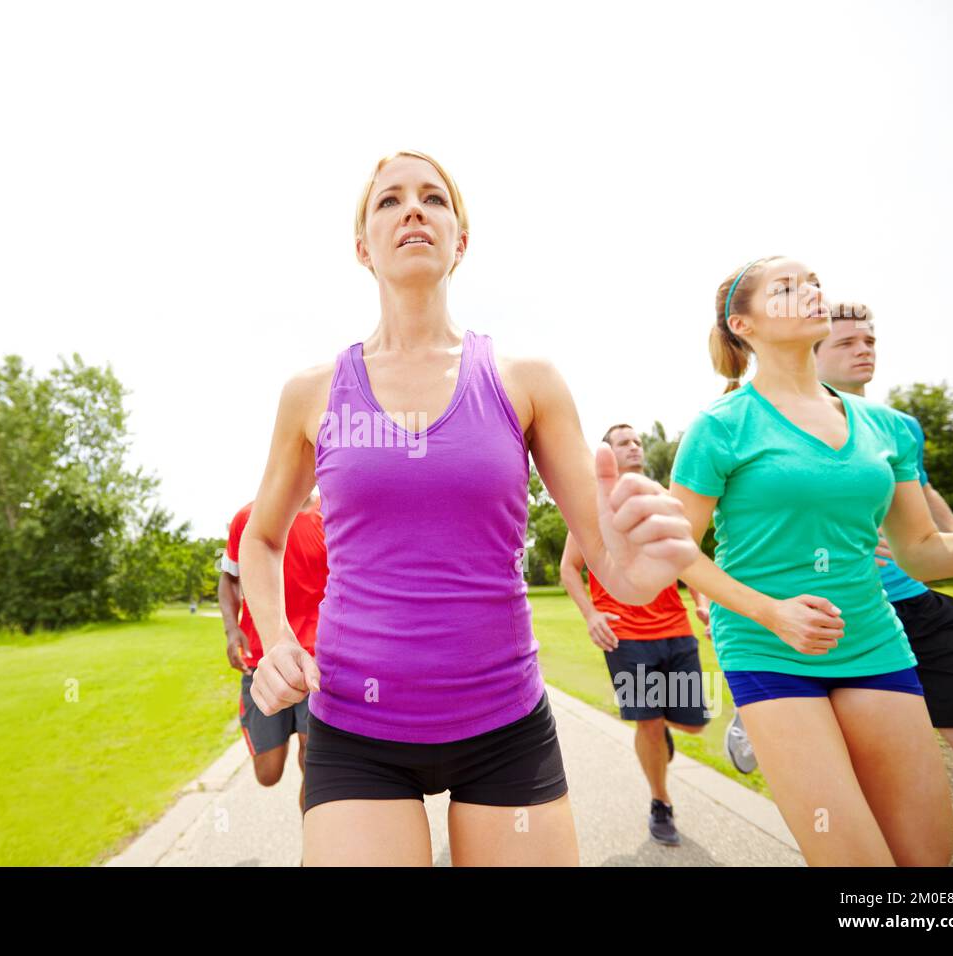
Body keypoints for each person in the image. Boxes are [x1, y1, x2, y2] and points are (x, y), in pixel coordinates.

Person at [238, 150, 700, 866]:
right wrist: (276, 641)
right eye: (389, 201)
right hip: (357, 732)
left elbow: (613, 560)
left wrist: (639, 571)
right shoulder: (313, 392)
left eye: (434, 198)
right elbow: (261, 540)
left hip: (504, 727)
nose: (414, 210)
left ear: (462, 238)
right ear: (363, 247)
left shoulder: (528, 381)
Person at [668, 255, 953, 866]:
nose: (811, 292)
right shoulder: (719, 427)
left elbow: (920, 551)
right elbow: (677, 552)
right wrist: (773, 614)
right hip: (769, 648)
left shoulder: (886, 427)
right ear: (743, 325)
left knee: (924, 869)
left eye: (814, 283)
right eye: (786, 288)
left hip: (875, 643)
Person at [814, 304, 953, 865]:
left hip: (915, 605)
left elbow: (921, 504)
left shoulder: (897, 427)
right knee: (876, 789)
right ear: (808, 354)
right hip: (839, 623)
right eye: (847, 342)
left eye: (870, 339)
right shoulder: (769, 426)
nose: (866, 349)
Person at [560, 423, 711, 846]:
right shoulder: (592, 507)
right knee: (647, 723)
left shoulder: (662, 501)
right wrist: (592, 616)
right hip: (625, 636)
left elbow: (687, 558)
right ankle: (661, 803)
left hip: (675, 628)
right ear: (607, 454)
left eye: (637, 441)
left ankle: (659, 733)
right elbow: (569, 568)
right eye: (623, 442)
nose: (634, 447)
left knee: (693, 725)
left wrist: (701, 602)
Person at [218, 490, 327, 815]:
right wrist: (230, 629)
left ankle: (314, 849)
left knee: (314, 757)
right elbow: (229, 578)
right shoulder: (248, 517)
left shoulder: (333, 514)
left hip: (316, 663)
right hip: (262, 661)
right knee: (268, 774)